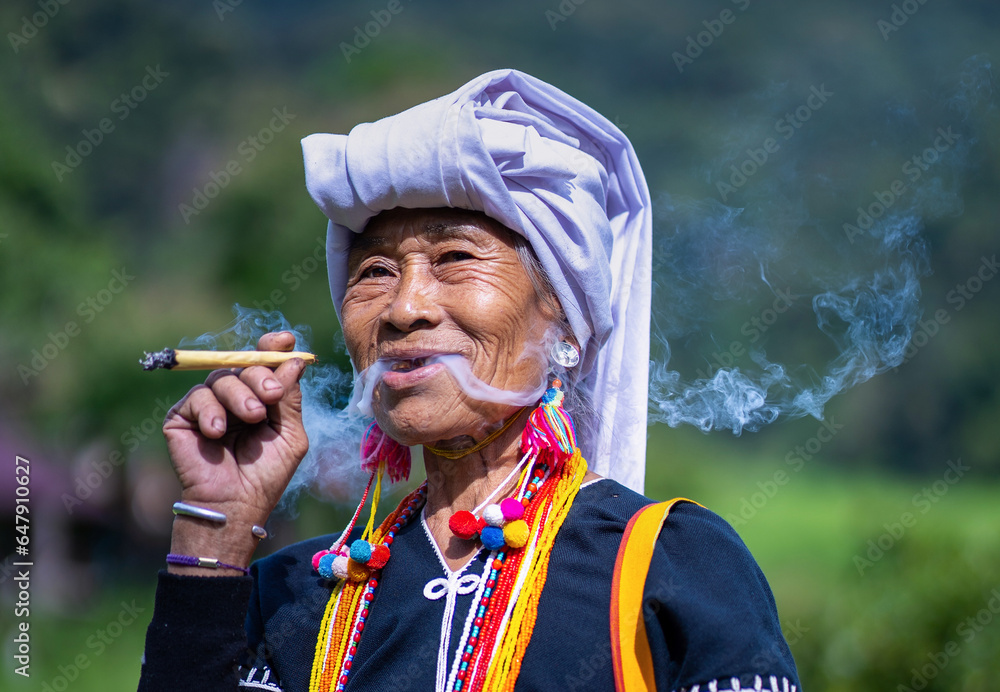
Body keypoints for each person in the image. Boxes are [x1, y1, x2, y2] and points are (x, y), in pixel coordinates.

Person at [137, 69, 800, 692]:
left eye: (455, 258)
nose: (403, 308)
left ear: (564, 324)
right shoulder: (293, 594)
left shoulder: (673, 564)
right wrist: (218, 526)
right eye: (374, 273)